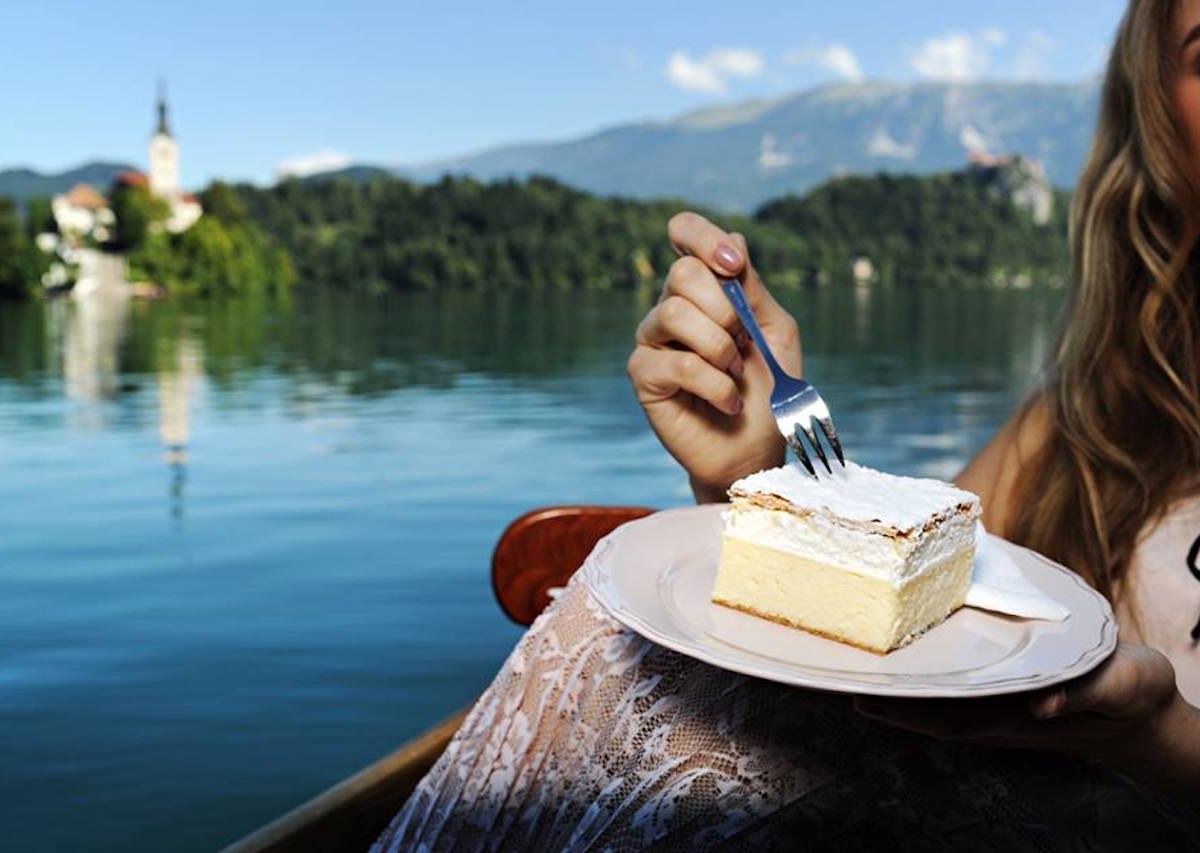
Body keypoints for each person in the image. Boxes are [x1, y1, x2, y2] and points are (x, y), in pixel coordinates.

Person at [374, 1, 1200, 848]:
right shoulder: (1095, 414)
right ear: (1154, 115)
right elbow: (900, 585)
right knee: (630, 648)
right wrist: (753, 471)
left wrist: (1162, 734)